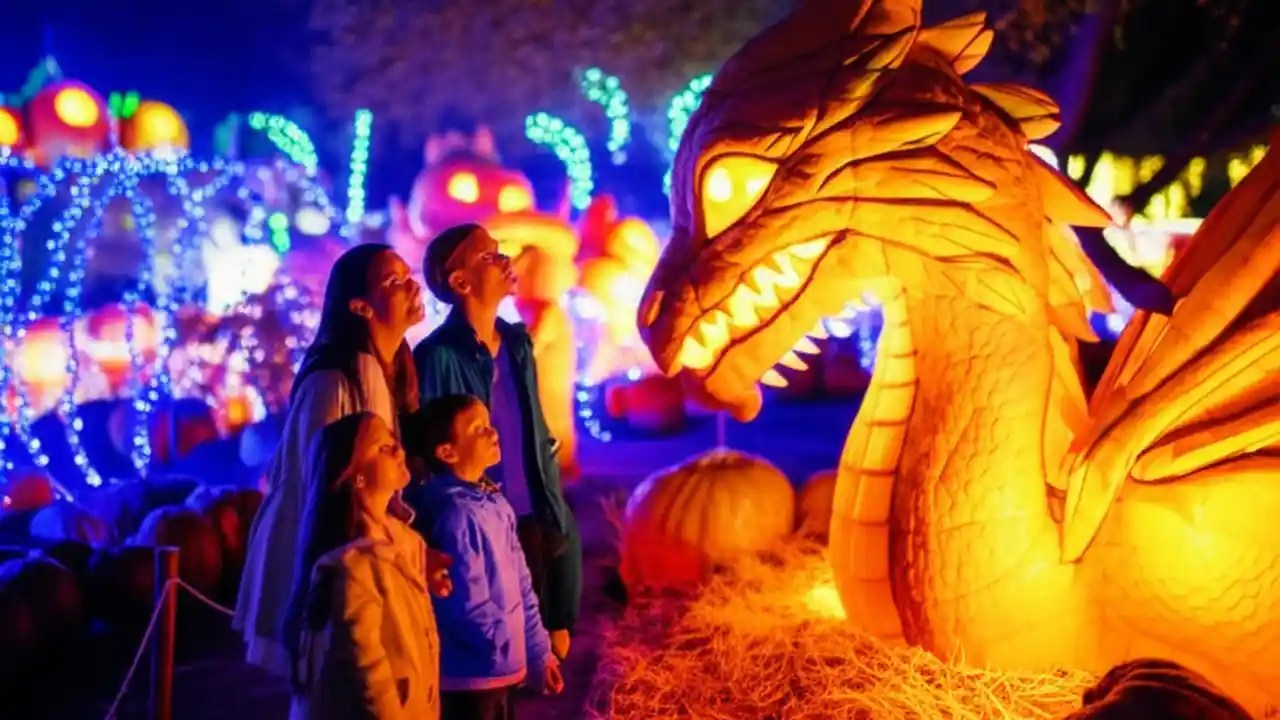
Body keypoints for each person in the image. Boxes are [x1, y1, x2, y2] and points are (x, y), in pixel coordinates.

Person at [235, 242, 425, 675]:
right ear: (360, 306)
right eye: (393, 281)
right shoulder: (334, 382)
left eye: (408, 276)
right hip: (326, 547)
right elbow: (323, 483)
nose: (411, 286)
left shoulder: (389, 372)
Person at [413, 224, 581, 659]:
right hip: (479, 525)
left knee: (545, 641)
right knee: (495, 652)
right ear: (460, 282)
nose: (505, 260)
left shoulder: (517, 343)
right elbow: (429, 449)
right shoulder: (436, 357)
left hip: (531, 507)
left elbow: (532, 424)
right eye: (489, 256)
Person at [403, 394, 564, 720]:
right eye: (479, 429)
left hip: (501, 668)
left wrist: (538, 653)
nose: (493, 433)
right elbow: (465, 601)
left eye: (489, 425)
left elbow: (522, 583)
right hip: (470, 678)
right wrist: (503, 645)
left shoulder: (495, 504)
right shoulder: (454, 516)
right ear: (447, 452)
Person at [285, 412, 450, 720]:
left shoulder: (406, 541)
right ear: (355, 476)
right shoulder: (351, 567)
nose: (399, 450)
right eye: (383, 448)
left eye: (394, 441)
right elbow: (370, 675)